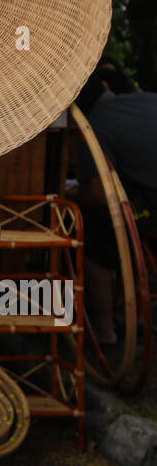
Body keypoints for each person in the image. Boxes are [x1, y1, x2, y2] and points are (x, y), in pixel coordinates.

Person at [75, 59, 157, 343]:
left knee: (95, 233)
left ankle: (104, 328)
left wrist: (73, 196)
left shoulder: (94, 125)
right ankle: (130, 315)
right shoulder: (146, 99)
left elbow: (99, 194)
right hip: (147, 194)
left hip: (152, 203)